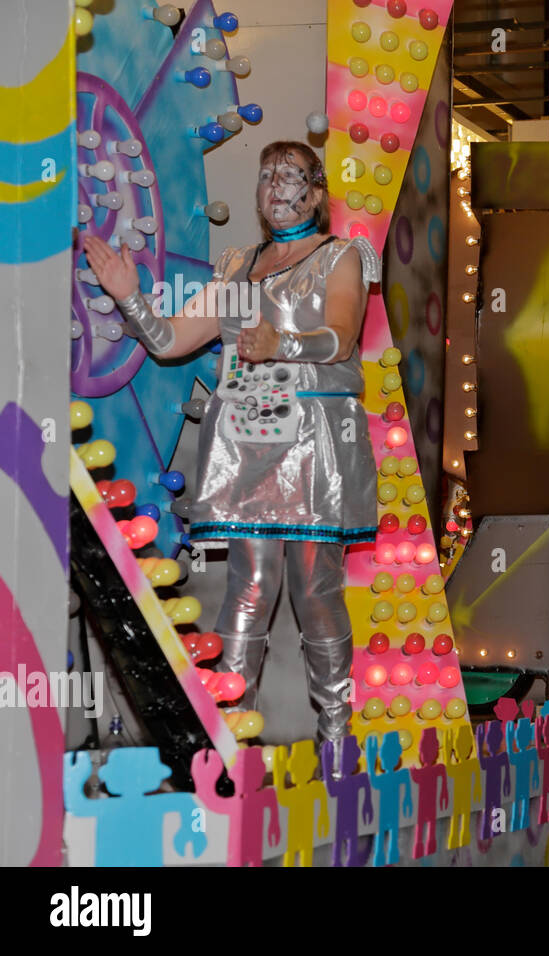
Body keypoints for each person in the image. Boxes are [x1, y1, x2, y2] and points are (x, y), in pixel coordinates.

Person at [84, 141, 380, 779]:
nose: (278, 187)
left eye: (291, 176)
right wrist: (131, 296)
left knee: (315, 590)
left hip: (310, 444)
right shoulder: (237, 267)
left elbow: (343, 335)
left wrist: (285, 340)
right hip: (247, 446)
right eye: (267, 175)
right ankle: (231, 755)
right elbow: (168, 340)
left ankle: (338, 752)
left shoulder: (340, 256)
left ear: (317, 189)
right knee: (247, 590)